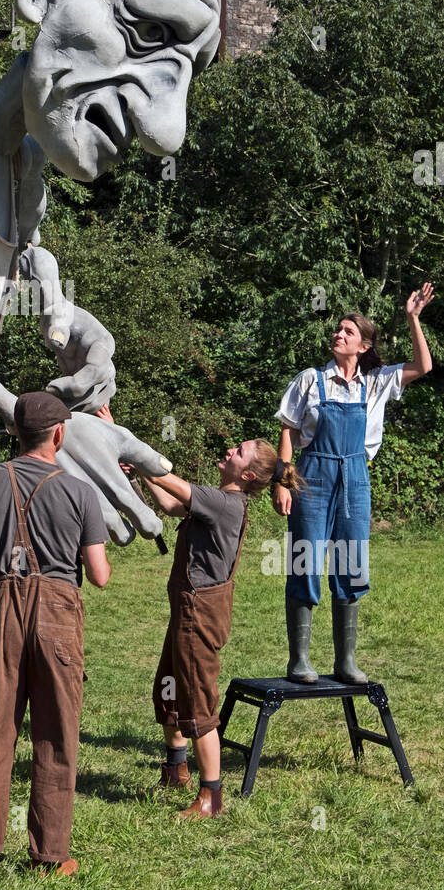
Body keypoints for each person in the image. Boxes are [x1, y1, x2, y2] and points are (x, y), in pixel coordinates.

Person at [0, 391, 110, 878]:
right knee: (57, 730)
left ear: (16, 434)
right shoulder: (80, 491)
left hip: (1, 602)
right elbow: (98, 575)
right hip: (57, 606)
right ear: (58, 434)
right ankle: (51, 855)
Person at [274, 287, 434, 685]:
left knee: (351, 565)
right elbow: (288, 431)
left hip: (355, 479)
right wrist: (282, 481)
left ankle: (345, 661)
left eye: (347, 332)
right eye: (337, 330)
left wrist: (413, 317)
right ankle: (300, 661)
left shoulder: (376, 383)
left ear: (363, 345)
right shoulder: (311, 380)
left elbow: (424, 366)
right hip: (311, 478)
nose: (338, 335)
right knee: (304, 559)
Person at [143, 440, 304, 819]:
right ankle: (175, 770)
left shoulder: (225, 503)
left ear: (247, 475)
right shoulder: (217, 500)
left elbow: (173, 483)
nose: (231, 449)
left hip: (198, 612)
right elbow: (169, 503)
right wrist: (140, 474)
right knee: (169, 685)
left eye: (240, 451)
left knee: (198, 701)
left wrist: (122, 443)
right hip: (186, 609)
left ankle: (211, 797)